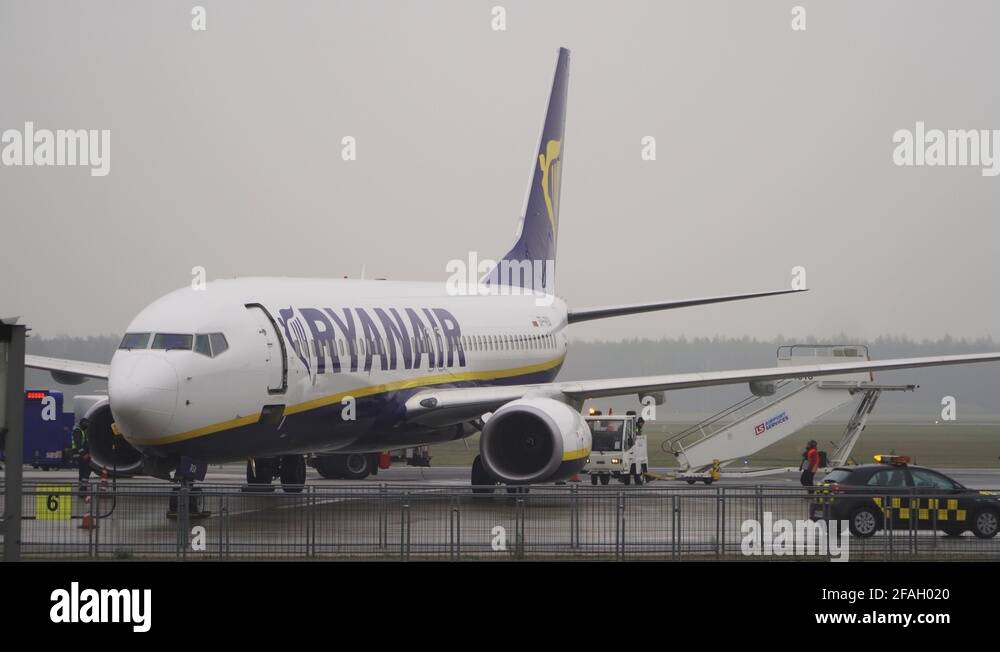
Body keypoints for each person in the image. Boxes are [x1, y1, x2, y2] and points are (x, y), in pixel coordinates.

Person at [71, 418, 93, 491]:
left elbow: (85, 444)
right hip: (79, 454)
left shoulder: (82, 431)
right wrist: (84, 454)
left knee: (83, 470)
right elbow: (78, 445)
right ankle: (83, 487)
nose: (87, 425)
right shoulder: (78, 431)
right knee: (86, 469)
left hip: (81, 454)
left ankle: (82, 486)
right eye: (86, 424)